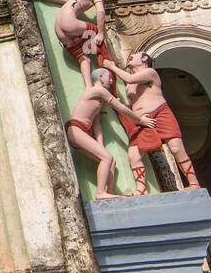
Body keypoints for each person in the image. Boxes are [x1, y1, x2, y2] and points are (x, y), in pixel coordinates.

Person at [104, 51, 202, 194]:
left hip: (161, 113)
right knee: (134, 154)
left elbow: (130, 78)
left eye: (134, 56)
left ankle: (194, 183)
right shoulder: (128, 85)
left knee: (176, 148)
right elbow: (132, 96)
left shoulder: (150, 73)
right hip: (142, 121)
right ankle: (141, 189)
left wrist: (112, 67)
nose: (130, 57)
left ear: (144, 59)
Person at [64, 67, 155, 199]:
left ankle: (109, 193)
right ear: (100, 78)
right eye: (109, 77)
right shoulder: (98, 90)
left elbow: (97, 125)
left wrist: (100, 145)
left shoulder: (98, 100)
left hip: (81, 132)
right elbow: (121, 108)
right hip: (75, 129)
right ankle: (100, 193)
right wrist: (140, 120)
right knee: (107, 158)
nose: (111, 80)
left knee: (110, 161)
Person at [33, 0, 113, 86]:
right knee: (96, 31)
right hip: (69, 24)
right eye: (104, 0)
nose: (103, 2)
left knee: (84, 58)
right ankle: (110, 62)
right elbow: (101, 11)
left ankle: (88, 86)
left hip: (60, 33)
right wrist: (100, 33)